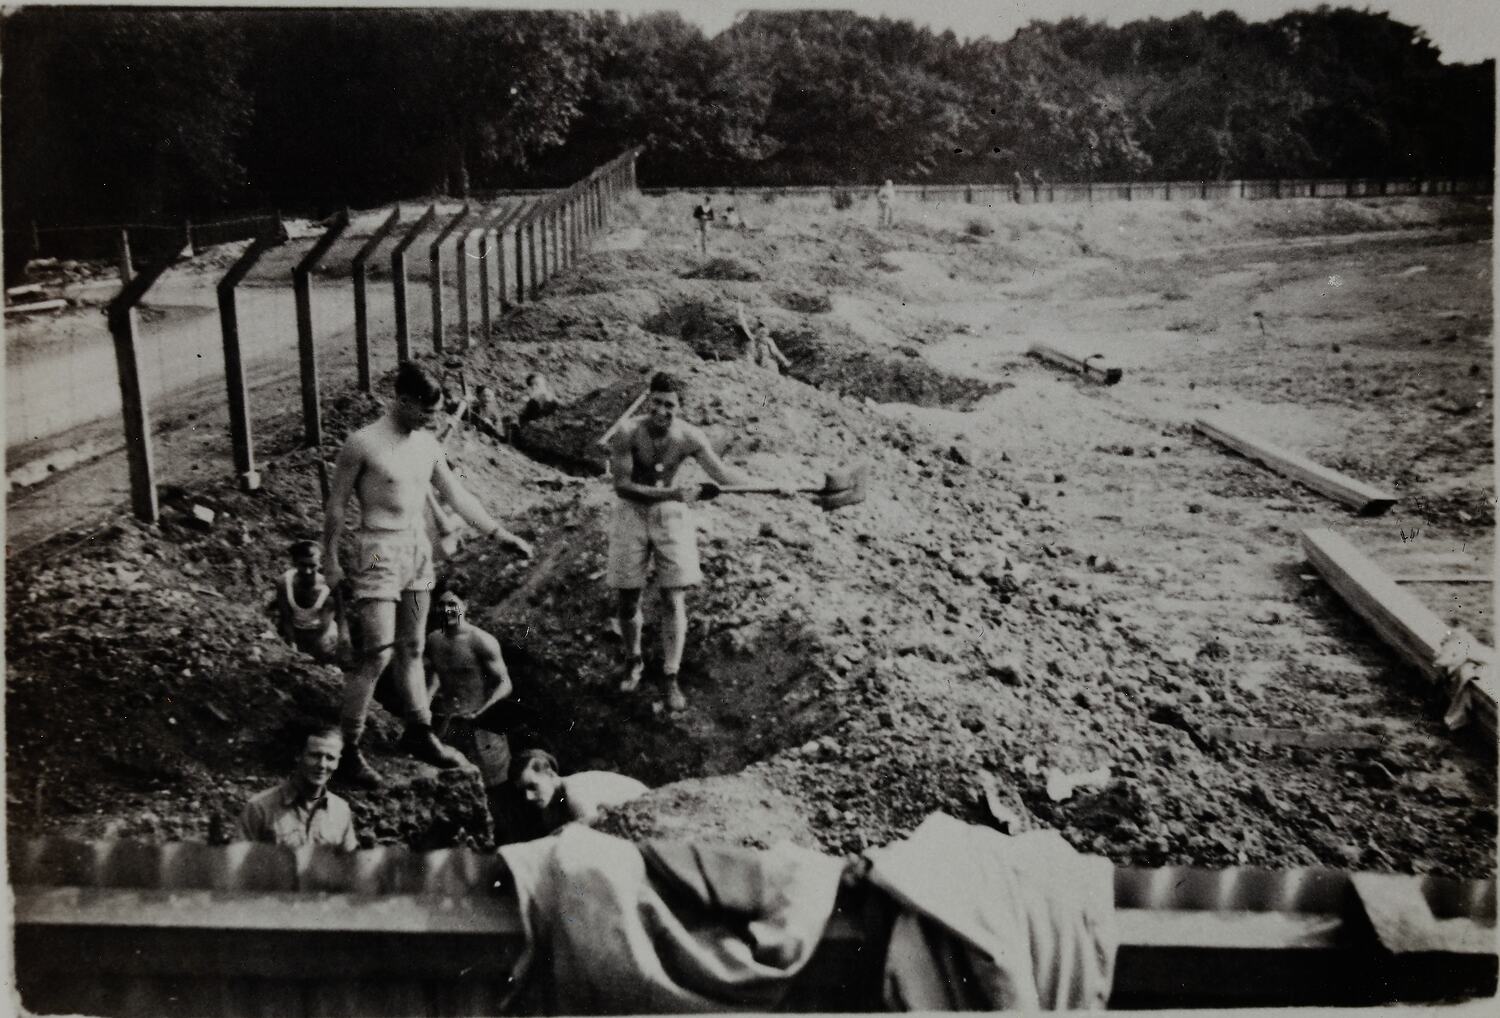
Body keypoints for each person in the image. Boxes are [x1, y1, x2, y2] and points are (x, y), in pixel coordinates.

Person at [323, 361, 534, 788]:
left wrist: (499, 533)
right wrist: (329, 556)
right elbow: (337, 506)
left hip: (417, 552)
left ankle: (418, 732)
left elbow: (457, 494)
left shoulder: (427, 445)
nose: (431, 419)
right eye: (425, 411)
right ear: (402, 400)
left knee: (413, 646)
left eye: (437, 413)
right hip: (380, 552)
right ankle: (348, 749)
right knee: (377, 653)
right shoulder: (363, 444)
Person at [606, 370, 776, 712]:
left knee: (674, 597)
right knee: (627, 599)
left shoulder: (689, 437)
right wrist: (677, 493)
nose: (662, 412)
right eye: (657, 403)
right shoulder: (627, 432)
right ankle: (633, 658)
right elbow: (622, 484)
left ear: (679, 407)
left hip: (669, 514)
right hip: (632, 513)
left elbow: (723, 475)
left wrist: (772, 487)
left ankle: (670, 675)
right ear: (647, 400)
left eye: (670, 406)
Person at [425, 587, 513, 793]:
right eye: (442, 605)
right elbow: (436, 675)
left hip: (480, 725)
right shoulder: (433, 640)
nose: (447, 610)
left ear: (465, 606)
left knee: (494, 785)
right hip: (449, 724)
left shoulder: (481, 640)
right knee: (454, 784)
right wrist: (426, 703)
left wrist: (483, 712)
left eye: (452, 605)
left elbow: (505, 683)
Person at [234, 725, 359, 851]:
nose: (322, 765)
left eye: (330, 758)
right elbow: (237, 865)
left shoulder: (341, 811)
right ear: (298, 755)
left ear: (337, 762)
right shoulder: (260, 808)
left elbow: (349, 867)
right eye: (315, 755)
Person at [512, 748, 648, 835]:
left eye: (533, 786)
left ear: (550, 774)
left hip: (648, 812)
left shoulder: (574, 791)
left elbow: (590, 829)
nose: (528, 797)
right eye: (523, 791)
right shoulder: (550, 807)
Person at [276, 540, 340, 664]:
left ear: (320, 564)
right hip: (295, 630)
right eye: (303, 565)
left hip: (320, 633)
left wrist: (312, 656)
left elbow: (324, 628)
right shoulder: (284, 582)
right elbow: (285, 617)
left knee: (322, 654)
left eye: (312, 566)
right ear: (294, 562)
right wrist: (293, 646)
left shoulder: (327, 588)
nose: (307, 571)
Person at [736, 303, 791, 374]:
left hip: (765, 362)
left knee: (770, 363)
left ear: (767, 333)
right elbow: (744, 325)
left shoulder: (769, 341)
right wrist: (739, 312)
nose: (762, 334)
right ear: (757, 331)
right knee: (750, 347)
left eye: (764, 333)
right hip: (753, 360)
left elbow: (776, 352)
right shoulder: (753, 338)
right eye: (761, 332)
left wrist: (784, 361)